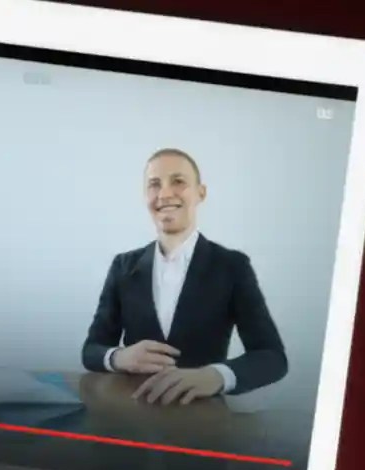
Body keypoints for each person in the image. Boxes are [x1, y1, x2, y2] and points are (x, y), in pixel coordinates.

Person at [81, 148, 287, 405]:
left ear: (201, 193)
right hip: (131, 413)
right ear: (146, 196)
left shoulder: (233, 266)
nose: (165, 193)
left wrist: (216, 376)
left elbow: (272, 357)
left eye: (178, 181)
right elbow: (91, 350)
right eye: (154, 184)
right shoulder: (122, 265)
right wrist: (118, 358)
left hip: (202, 420)